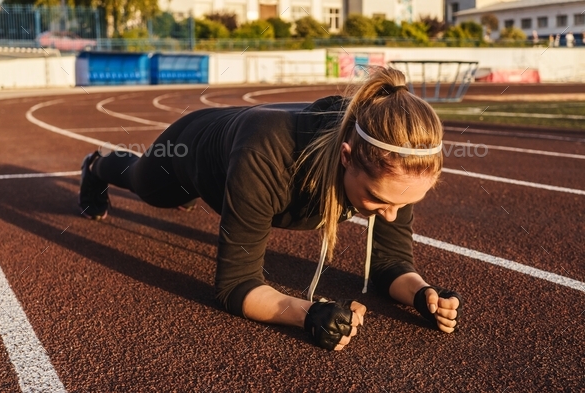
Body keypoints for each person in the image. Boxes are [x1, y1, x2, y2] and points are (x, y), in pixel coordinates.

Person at [78, 67, 462, 351]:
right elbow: (233, 286)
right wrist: (307, 313)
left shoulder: (393, 162)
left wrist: (421, 294)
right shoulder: (268, 155)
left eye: (407, 203)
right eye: (379, 200)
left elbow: (389, 263)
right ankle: (96, 165)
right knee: (145, 183)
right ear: (346, 157)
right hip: (192, 149)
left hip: (241, 161)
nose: (392, 215)